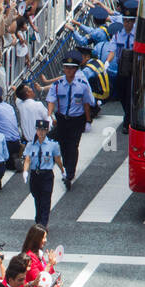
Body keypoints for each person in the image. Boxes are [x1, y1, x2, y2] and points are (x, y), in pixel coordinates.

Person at [47, 57, 93, 187]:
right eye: (66, 67)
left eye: (71, 68)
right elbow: (51, 100)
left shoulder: (82, 85)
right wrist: (49, 115)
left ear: (76, 69)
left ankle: (70, 173)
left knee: (73, 146)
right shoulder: (57, 85)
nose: (68, 70)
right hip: (62, 119)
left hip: (76, 120)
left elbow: (86, 104)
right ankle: (67, 167)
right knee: (63, 145)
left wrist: (88, 121)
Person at [22, 118, 64, 228]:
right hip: (35, 175)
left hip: (47, 175)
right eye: (39, 129)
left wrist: (63, 171)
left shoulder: (53, 145)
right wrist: (25, 172)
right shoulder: (31, 144)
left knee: (45, 199)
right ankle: (38, 219)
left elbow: (57, 159)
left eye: (43, 130)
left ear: (47, 131)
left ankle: (43, 224)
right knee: (37, 198)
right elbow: (27, 159)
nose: (41, 132)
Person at [110, 16, 137, 133]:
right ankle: (128, 114)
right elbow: (112, 51)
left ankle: (127, 121)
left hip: (134, 69)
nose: (127, 24)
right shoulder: (117, 35)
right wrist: (107, 62)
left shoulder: (138, 36)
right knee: (120, 94)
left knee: (129, 95)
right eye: (125, 21)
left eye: (130, 21)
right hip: (121, 69)